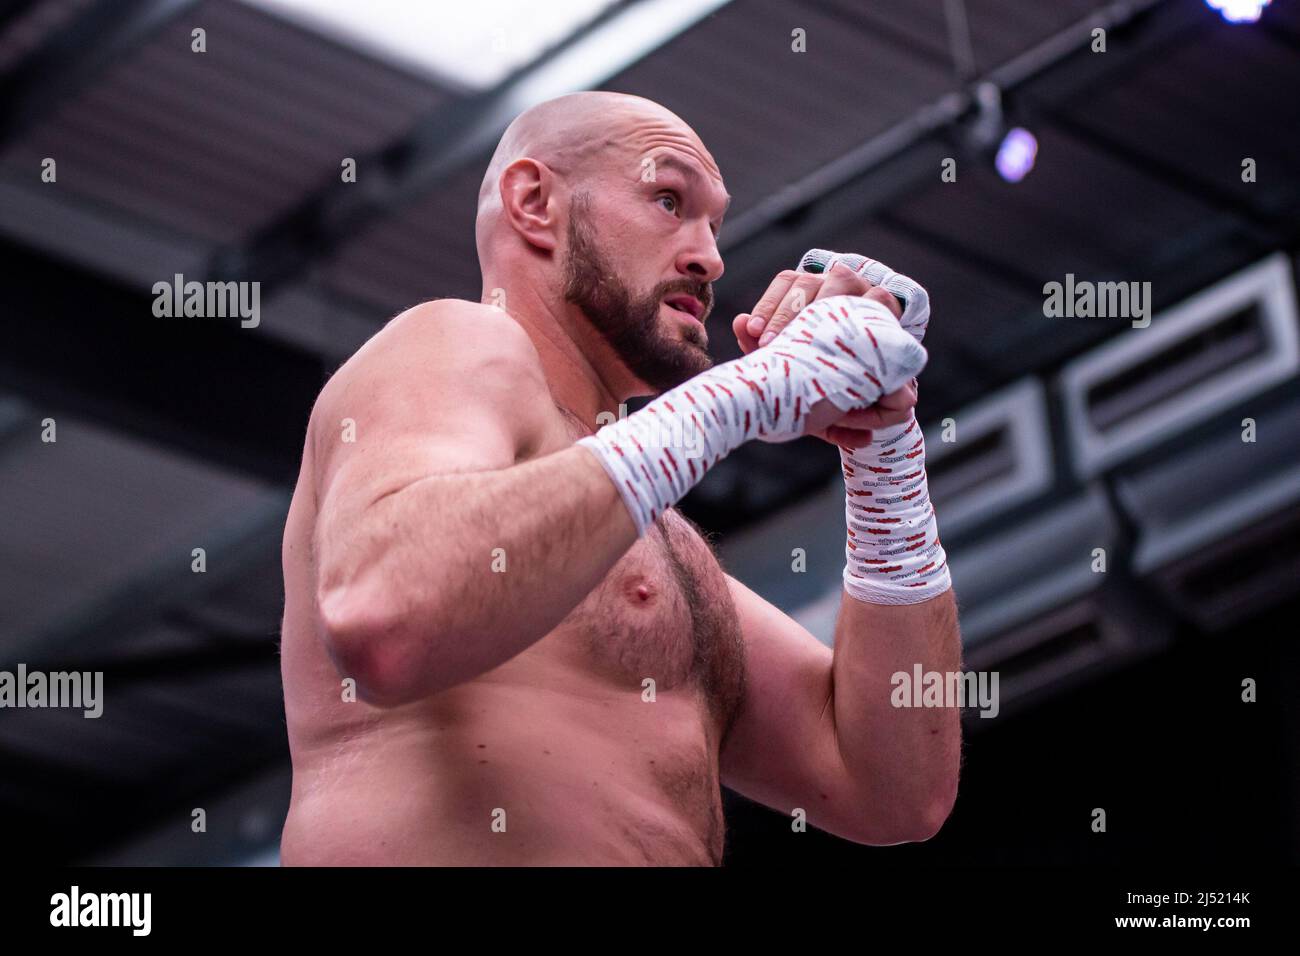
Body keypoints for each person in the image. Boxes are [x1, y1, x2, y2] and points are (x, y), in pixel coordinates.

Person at [278, 91, 961, 866]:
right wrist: (742, 394)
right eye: (668, 199)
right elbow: (382, 617)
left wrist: (886, 458)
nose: (710, 257)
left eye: (714, 223)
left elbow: (893, 791)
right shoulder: (455, 342)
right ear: (535, 204)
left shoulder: (655, 542)